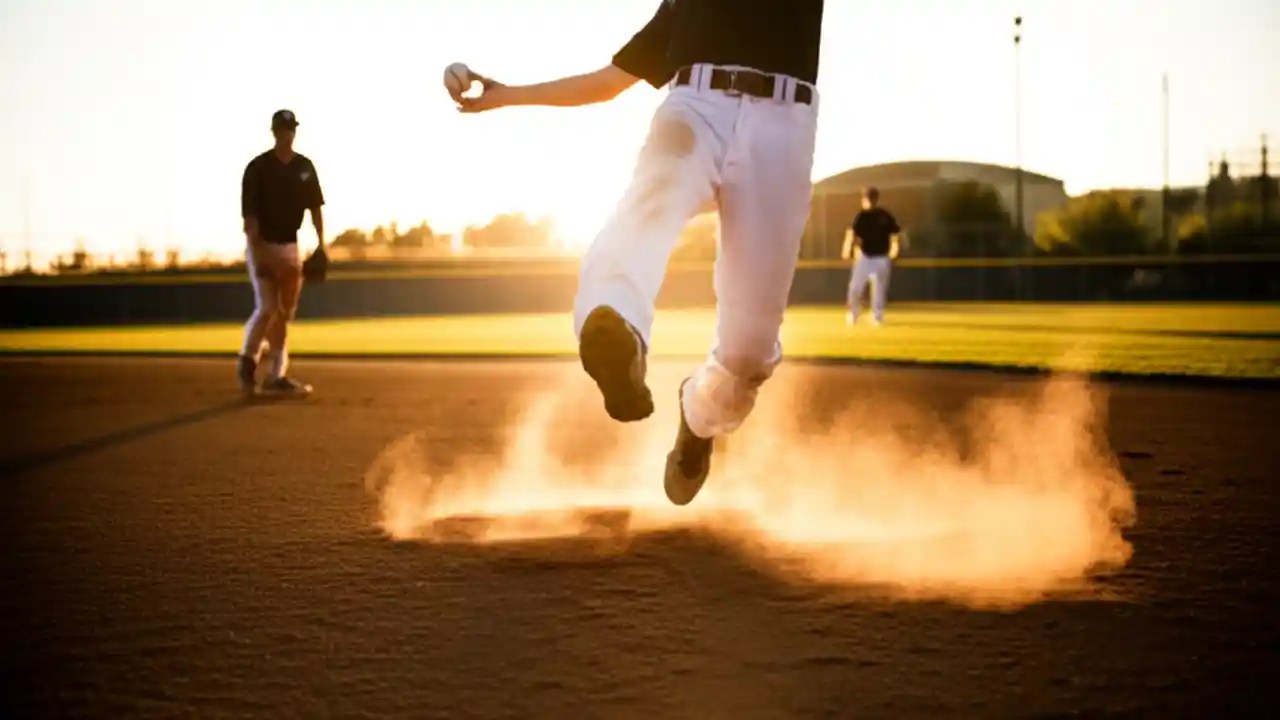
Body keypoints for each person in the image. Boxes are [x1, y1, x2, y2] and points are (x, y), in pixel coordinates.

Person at [451, 0, 824, 506]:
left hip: (784, 128)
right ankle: (616, 327)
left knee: (749, 353)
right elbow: (609, 81)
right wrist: (506, 95)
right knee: (652, 199)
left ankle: (700, 415)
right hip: (695, 106)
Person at [238, 109, 326, 396]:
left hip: (290, 246)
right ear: (274, 131)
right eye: (283, 129)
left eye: (291, 128)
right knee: (266, 308)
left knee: (284, 313)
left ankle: (276, 375)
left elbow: (315, 208)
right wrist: (258, 253)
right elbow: (250, 219)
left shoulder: (305, 167)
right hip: (262, 243)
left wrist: (322, 245)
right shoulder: (257, 168)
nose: (288, 133)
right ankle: (247, 361)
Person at [842, 186, 900, 326]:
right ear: (864, 199)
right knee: (855, 287)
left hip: (881, 256)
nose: (870, 201)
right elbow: (852, 233)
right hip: (865, 256)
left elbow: (895, 234)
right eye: (868, 198)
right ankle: (854, 313)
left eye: (872, 198)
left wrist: (895, 249)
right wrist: (847, 248)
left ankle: (877, 316)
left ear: (876, 199)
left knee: (879, 288)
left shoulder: (884, 215)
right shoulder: (861, 216)